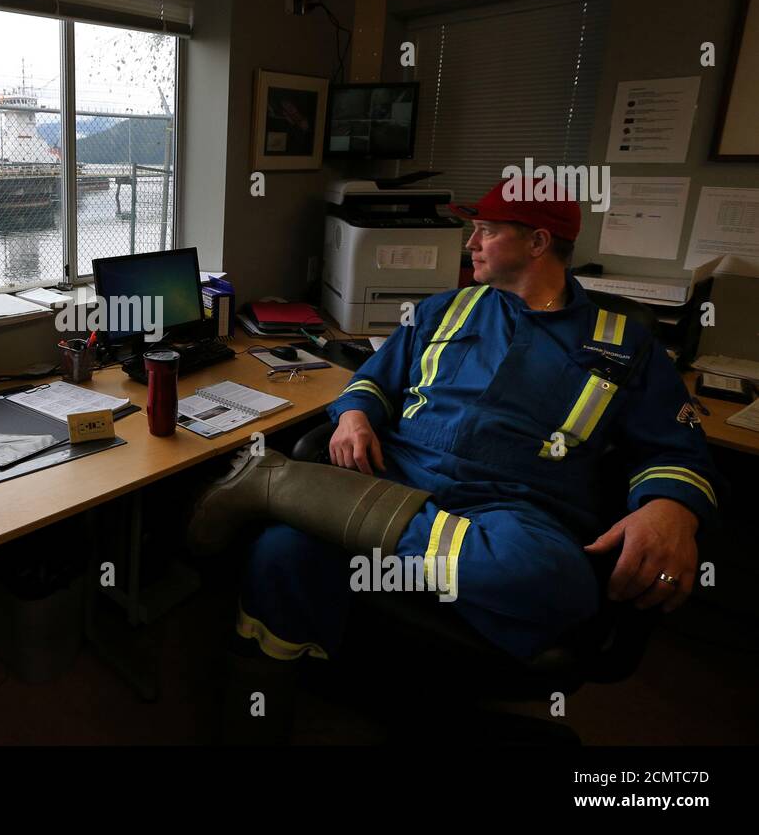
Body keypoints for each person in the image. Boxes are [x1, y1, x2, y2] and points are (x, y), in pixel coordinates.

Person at [188, 178, 720, 736]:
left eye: (487, 231)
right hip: (399, 477)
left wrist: (672, 508)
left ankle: (283, 487)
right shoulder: (445, 309)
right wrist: (354, 416)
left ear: (538, 243)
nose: (470, 243)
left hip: (512, 511)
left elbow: (677, 446)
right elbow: (372, 380)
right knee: (281, 549)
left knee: (556, 581)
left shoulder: (623, 344)